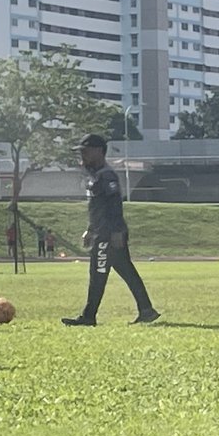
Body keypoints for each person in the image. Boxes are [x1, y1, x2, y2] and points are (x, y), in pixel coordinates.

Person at [62, 134, 158, 326]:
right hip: (102, 231)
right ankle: (147, 310)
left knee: (98, 274)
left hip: (108, 233)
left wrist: (115, 232)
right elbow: (97, 207)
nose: (82, 155)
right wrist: (90, 229)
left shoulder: (107, 175)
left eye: (85, 151)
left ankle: (89, 317)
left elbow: (114, 205)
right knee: (126, 271)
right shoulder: (96, 175)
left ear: (99, 151)